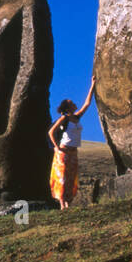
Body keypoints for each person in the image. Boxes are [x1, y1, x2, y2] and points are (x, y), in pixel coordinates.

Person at [48, 78, 95, 209]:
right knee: (62, 177)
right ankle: (62, 204)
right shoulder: (64, 118)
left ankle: (68, 203)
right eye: (72, 103)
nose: (75, 104)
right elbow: (51, 132)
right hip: (64, 151)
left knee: (71, 177)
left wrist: (92, 85)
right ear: (68, 107)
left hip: (74, 151)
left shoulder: (77, 117)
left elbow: (87, 104)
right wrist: (56, 147)